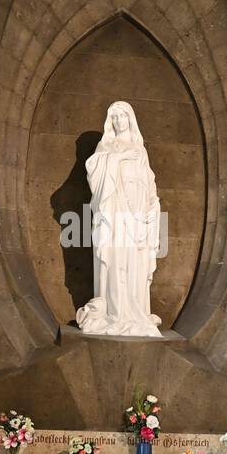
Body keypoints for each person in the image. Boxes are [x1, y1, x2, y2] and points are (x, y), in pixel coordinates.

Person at [75, 101, 162, 337]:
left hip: (136, 215)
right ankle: (115, 311)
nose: (118, 121)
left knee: (135, 261)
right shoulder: (106, 148)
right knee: (114, 259)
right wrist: (119, 157)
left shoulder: (140, 150)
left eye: (122, 117)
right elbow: (94, 173)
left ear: (130, 119)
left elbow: (149, 181)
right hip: (113, 215)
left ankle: (135, 311)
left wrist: (153, 202)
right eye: (114, 117)